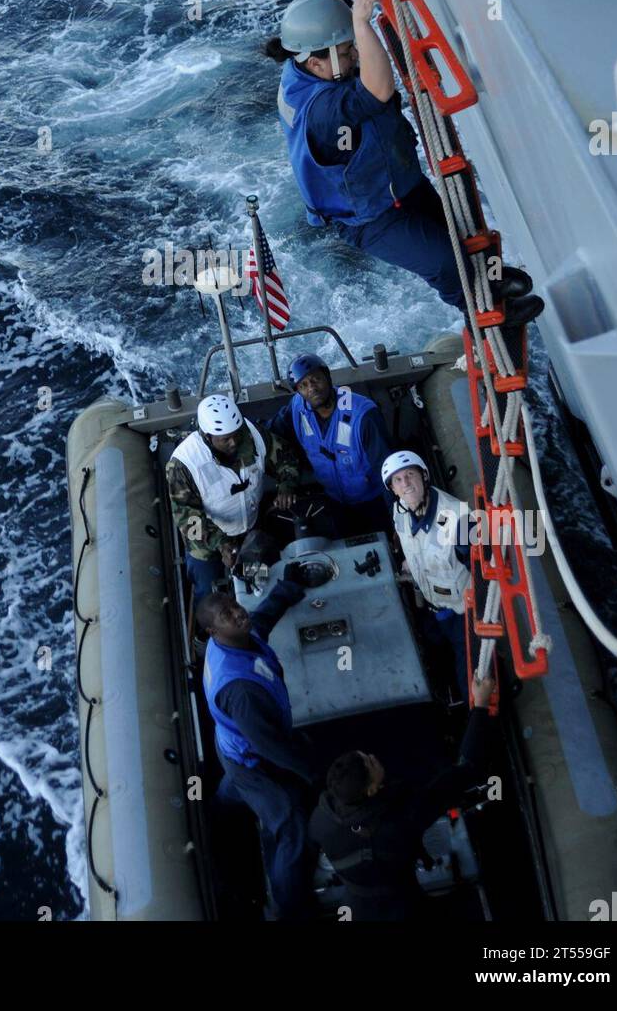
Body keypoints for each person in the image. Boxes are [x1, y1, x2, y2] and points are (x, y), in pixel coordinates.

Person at [268, 0, 543, 325]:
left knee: (455, 236)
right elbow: (377, 89)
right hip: (368, 214)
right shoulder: (321, 109)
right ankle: (483, 310)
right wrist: (362, 23)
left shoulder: (308, 61)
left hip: (395, 178)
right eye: (346, 47)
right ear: (318, 62)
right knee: (442, 261)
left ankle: (488, 280)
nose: (353, 50)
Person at [309, 674, 496, 920]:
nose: (373, 756)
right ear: (371, 790)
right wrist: (481, 705)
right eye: (369, 762)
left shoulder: (320, 821)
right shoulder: (403, 817)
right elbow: (467, 771)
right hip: (402, 903)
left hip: (358, 905)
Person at [199, 569, 317, 920]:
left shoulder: (234, 641)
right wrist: (314, 773)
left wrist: (287, 587)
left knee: (232, 793)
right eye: (227, 615)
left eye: (234, 606)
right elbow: (271, 748)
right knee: (292, 822)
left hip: (232, 746)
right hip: (252, 759)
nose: (238, 612)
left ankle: (220, 815)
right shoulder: (241, 691)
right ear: (212, 631)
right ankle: (290, 907)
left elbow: (260, 619)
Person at [166, 394, 300, 604]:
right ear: (207, 436)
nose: (233, 442)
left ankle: (257, 606)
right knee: (208, 591)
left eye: (236, 435)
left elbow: (285, 457)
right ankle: (206, 631)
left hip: (251, 526)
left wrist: (286, 484)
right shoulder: (183, 465)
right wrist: (221, 544)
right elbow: (187, 519)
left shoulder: (253, 435)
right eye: (225, 439)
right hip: (207, 541)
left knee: (261, 575)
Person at [268, 353, 392, 536]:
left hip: (372, 501)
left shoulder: (363, 416)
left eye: (316, 379)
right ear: (298, 392)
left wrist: (397, 518)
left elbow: (386, 469)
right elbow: (271, 432)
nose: (312, 389)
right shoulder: (297, 408)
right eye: (303, 386)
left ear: (328, 377)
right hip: (333, 500)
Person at [382, 449, 472, 699]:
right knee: (429, 648)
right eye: (398, 481)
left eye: (410, 475)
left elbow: (484, 567)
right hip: (429, 605)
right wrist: (409, 563)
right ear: (393, 489)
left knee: (469, 677)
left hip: (461, 614)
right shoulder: (400, 510)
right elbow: (409, 539)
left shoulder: (459, 519)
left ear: (424, 476)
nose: (406, 484)